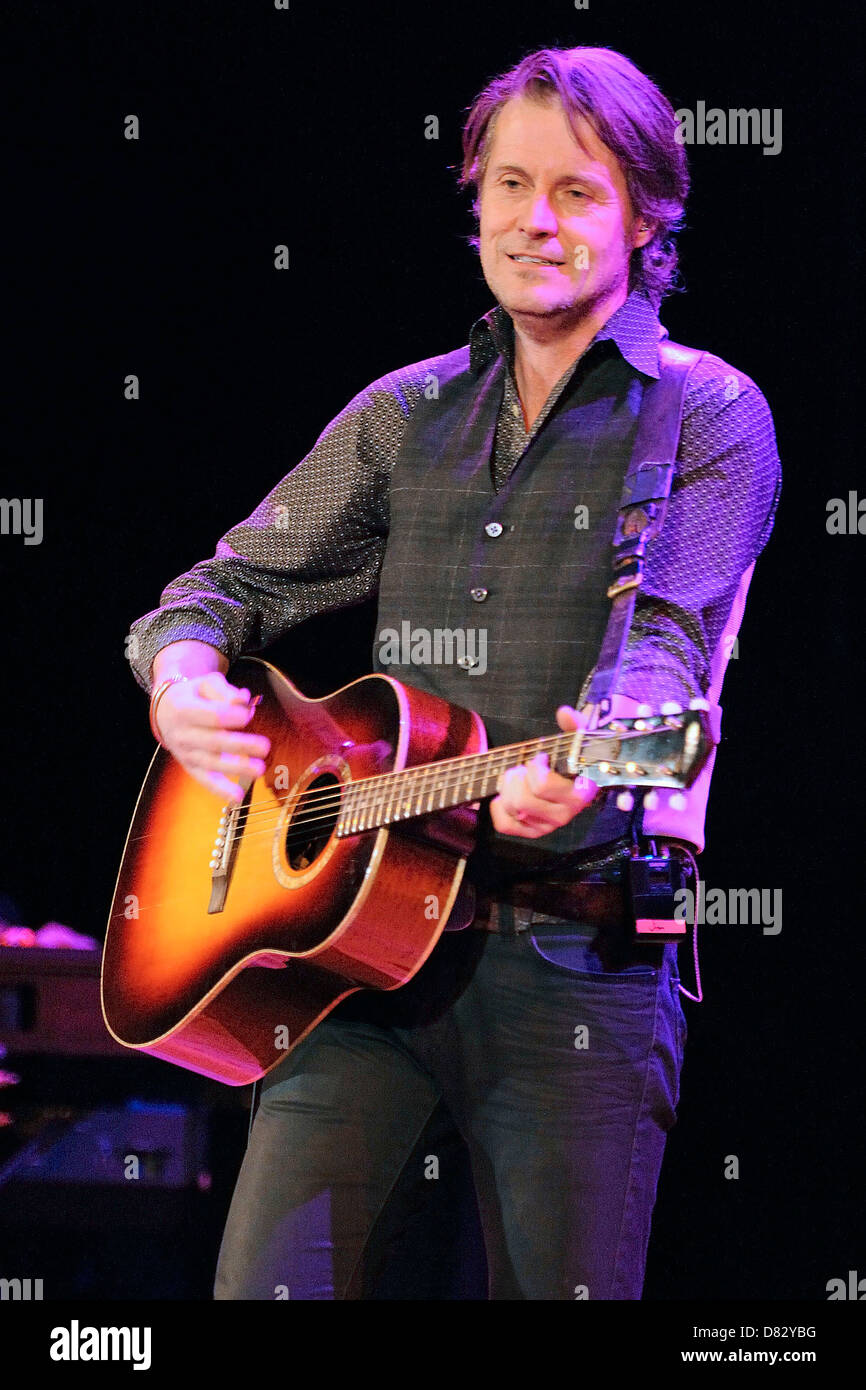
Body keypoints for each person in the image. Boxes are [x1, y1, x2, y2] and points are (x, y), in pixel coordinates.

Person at [127, 45, 781, 1299]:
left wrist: (595, 761)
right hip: (357, 963)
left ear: (646, 215)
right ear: (472, 197)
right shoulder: (401, 413)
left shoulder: (704, 411)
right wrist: (185, 678)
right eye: (508, 184)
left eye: (578, 191)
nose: (535, 221)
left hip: (571, 960)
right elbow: (221, 589)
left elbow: (664, 646)